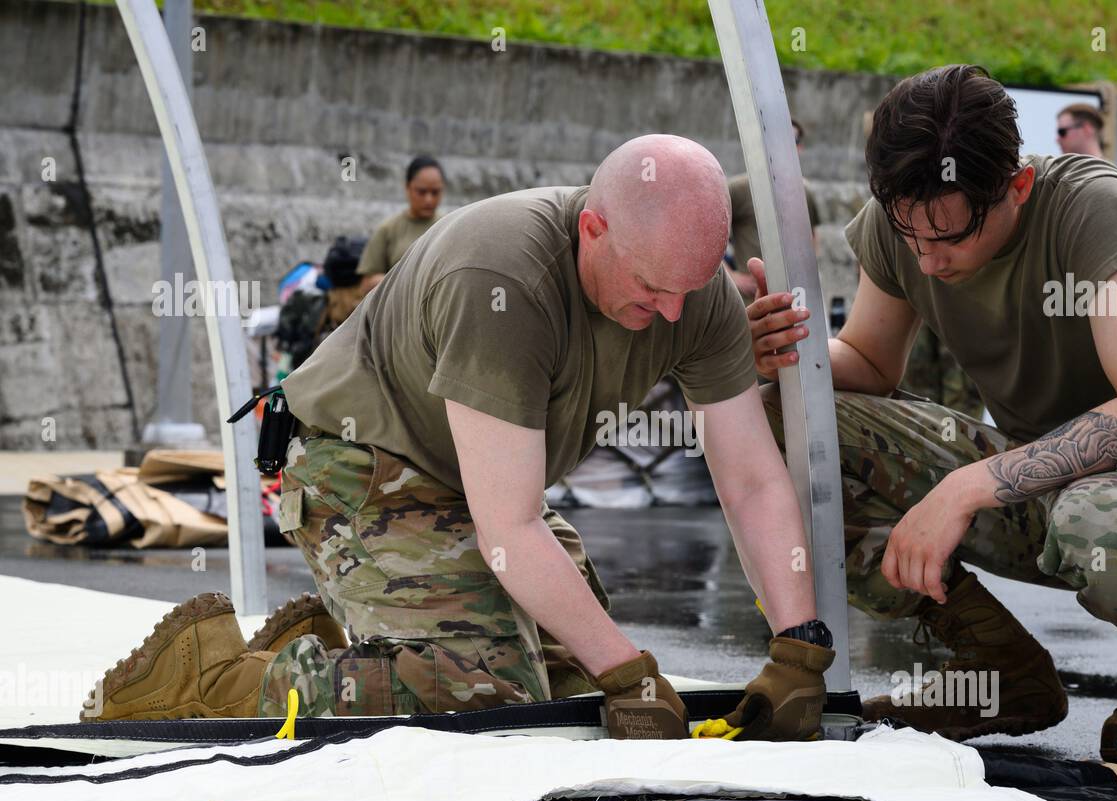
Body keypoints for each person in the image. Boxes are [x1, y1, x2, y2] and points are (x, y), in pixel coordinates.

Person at [83, 135, 838, 743]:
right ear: (594, 229)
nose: (675, 313)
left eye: (692, 289)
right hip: (363, 469)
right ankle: (211, 676)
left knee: (568, 703)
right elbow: (507, 527)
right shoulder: (503, 275)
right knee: (491, 695)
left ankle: (350, 652)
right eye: (652, 289)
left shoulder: (687, 288)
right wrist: (629, 670)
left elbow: (750, 478)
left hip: (479, 483)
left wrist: (798, 647)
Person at [748, 65, 1117, 766]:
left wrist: (963, 488)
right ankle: (995, 667)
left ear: (1016, 187)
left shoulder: (1094, 209)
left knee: (1097, 518)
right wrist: (775, 354)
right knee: (786, 423)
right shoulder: (905, 223)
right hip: (1034, 480)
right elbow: (869, 366)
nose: (929, 262)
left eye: (951, 238)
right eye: (912, 237)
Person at [726, 119, 820, 301]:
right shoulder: (740, 189)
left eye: (790, 142)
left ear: (799, 149)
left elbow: (812, 239)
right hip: (748, 302)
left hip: (789, 299)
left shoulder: (804, 192)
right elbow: (702, 232)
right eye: (775, 141)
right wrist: (731, 276)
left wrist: (804, 280)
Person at [357, 155, 446, 291]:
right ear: (408, 188)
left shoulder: (448, 227)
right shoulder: (388, 229)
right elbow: (367, 283)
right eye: (422, 192)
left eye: (435, 192)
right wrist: (406, 281)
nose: (429, 199)